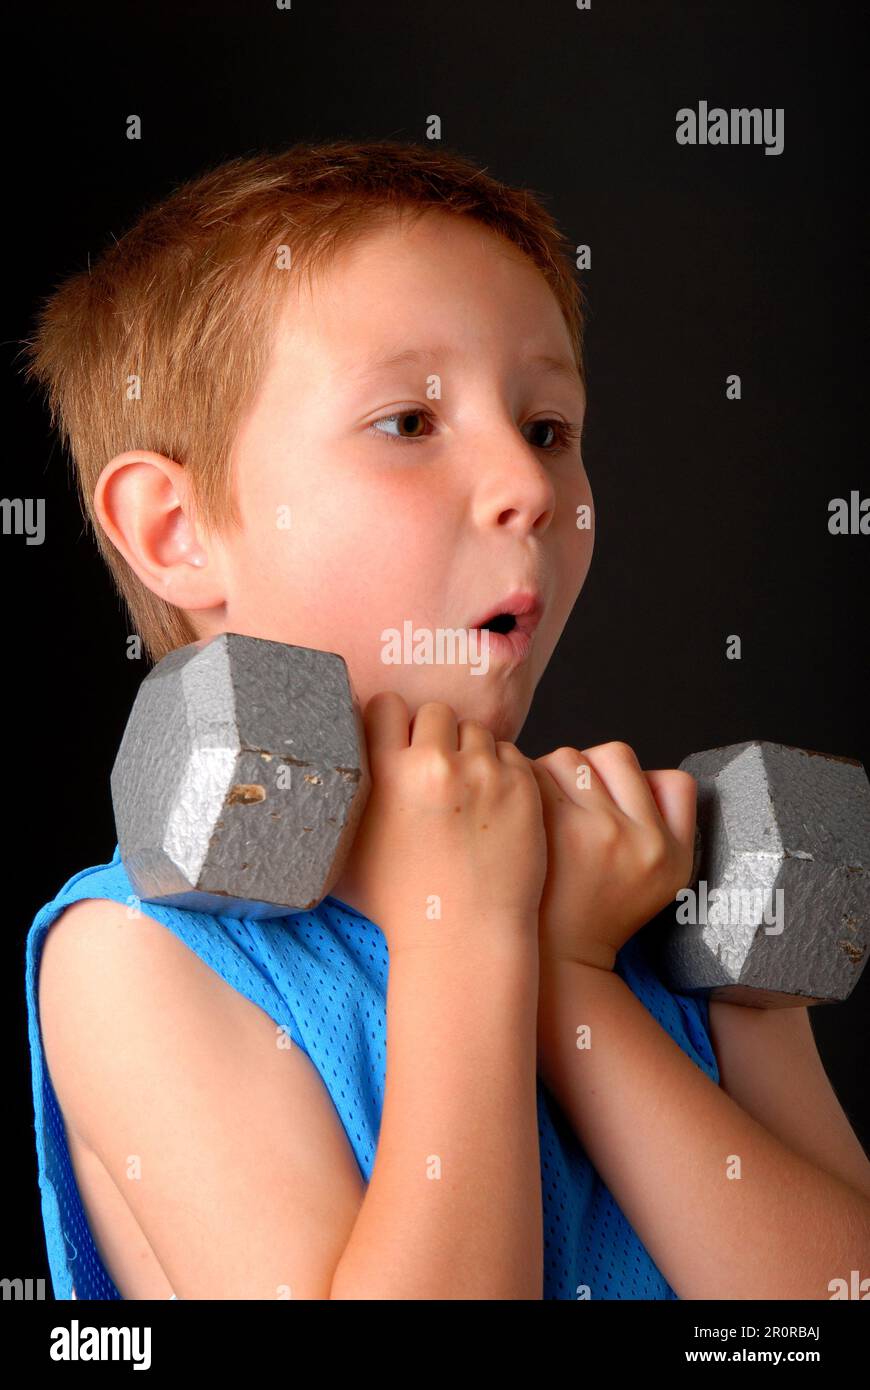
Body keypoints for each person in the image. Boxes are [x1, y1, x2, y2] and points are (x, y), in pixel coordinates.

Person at [22, 140, 870, 1300]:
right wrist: (466, 933)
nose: (527, 482)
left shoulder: (666, 889)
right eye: (410, 422)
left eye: (549, 427)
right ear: (176, 530)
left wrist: (575, 975)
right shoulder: (134, 956)